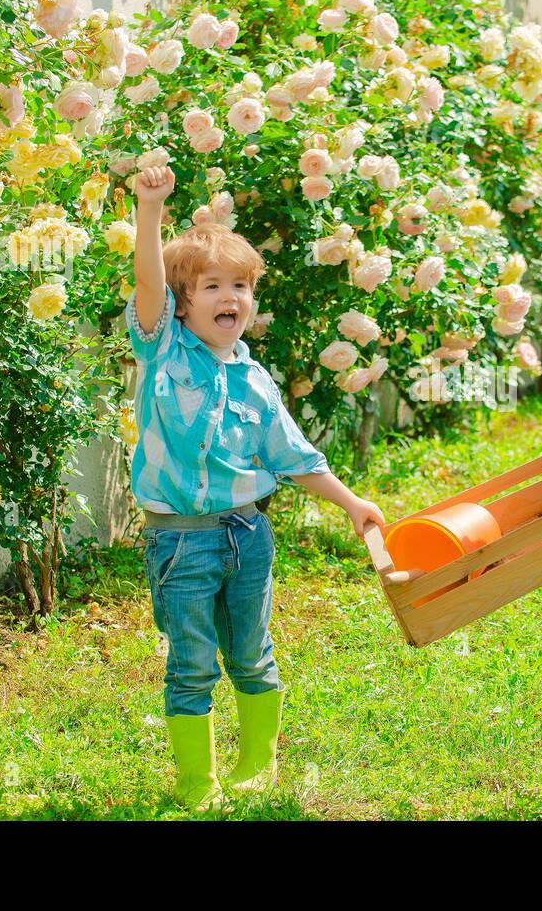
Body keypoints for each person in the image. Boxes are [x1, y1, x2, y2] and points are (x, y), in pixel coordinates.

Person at [127, 164, 385, 811]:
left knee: (250, 651)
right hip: (180, 543)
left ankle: (257, 762)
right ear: (184, 306)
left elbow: (291, 455)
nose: (230, 296)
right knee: (190, 660)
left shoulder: (255, 380)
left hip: (247, 533)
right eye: (213, 285)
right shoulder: (165, 350)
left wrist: (352, 503)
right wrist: (151, 210)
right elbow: (149, 283)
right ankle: (196, 779)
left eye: (240, 285)